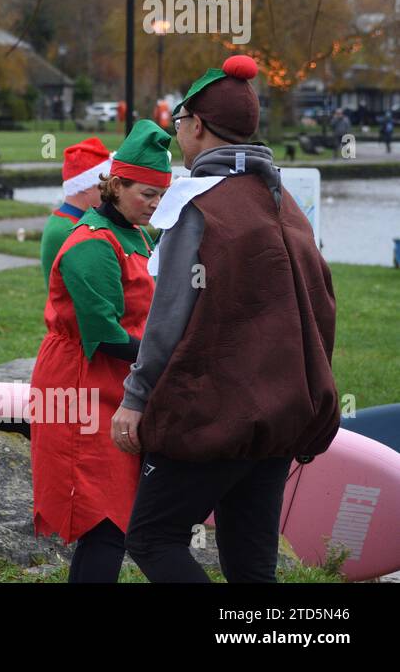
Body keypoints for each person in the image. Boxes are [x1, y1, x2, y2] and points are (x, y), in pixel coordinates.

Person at [113, 55, 339, 583]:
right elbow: (322, 306)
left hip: (212, 410)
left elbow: (169, 315)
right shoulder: (285, 206)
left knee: (153, 537)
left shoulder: (198, 206)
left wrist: (136, 397)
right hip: (283, 414)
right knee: (250, 559)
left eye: (179, 124)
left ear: (195, 125)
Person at [30, 119, 172, 583]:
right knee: (104, 519)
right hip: (82, 387)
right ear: (115, 185)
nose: (154, 203)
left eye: (159, 194)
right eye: (145, 193)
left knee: (116, 518)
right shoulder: (91, 244)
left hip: (117, 381)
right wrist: (170, 359)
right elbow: (106, 336)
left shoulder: (138, 234)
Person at [38, 137, 112, 284]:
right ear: (85, 187)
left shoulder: (74, 221)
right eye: (106, 185)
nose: (111, 192)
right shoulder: (64, 230)